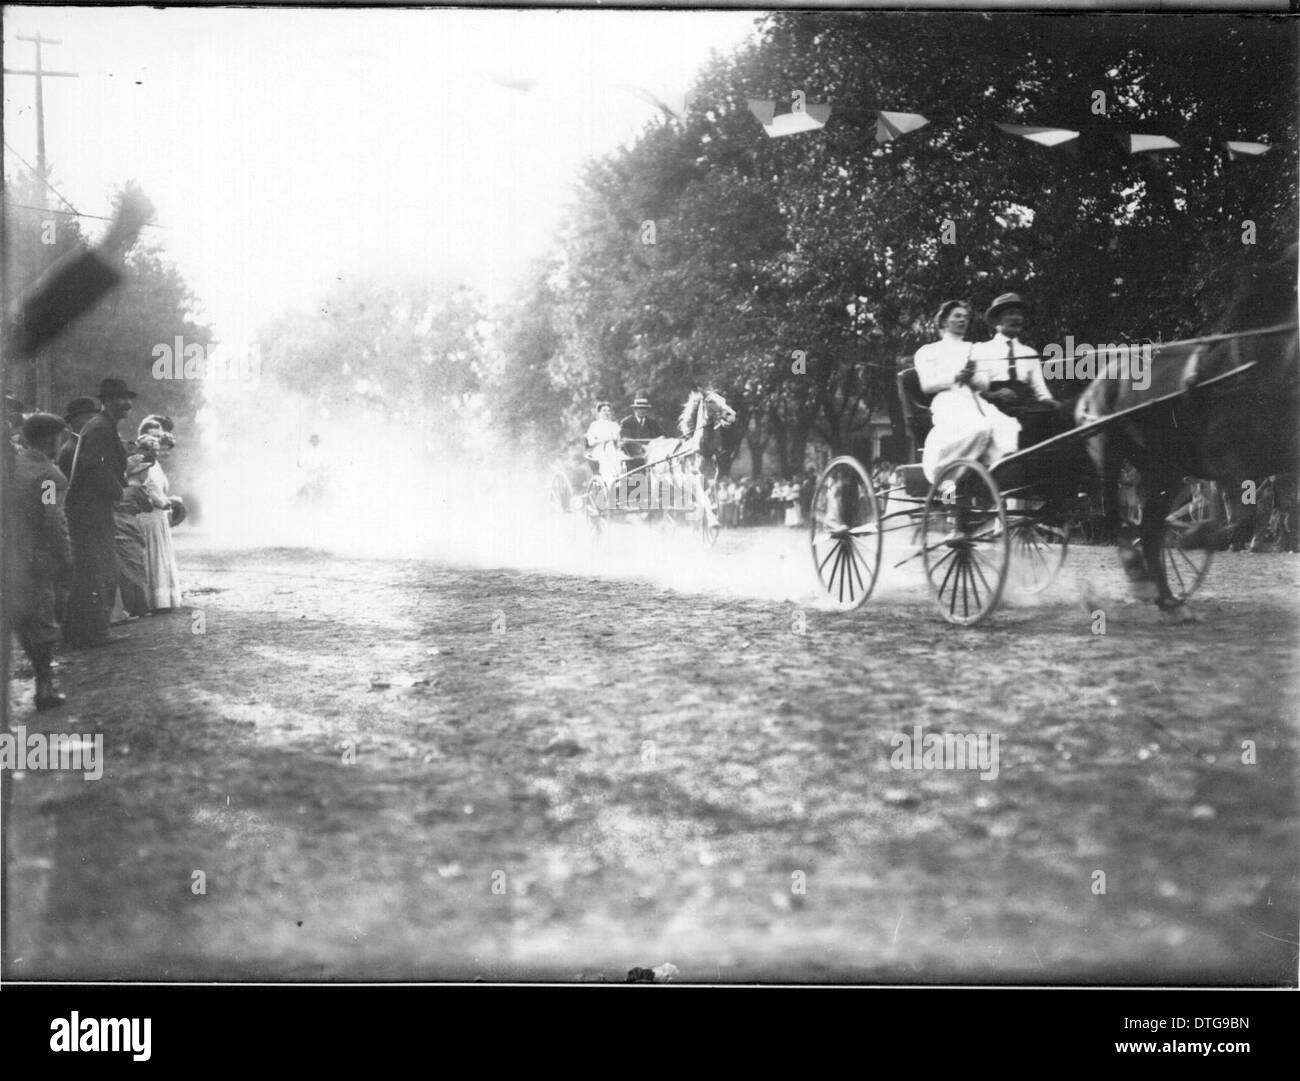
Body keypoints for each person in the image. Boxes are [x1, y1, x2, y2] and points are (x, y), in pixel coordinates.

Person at [4, 413, 74, 708]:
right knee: (42, 623)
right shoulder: (48, 476)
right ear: (49, 439)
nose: (61, 442)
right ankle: (44, 688)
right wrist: (66, 557)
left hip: (7, 556)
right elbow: (52, 519)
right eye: (59, 437)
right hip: (34, 559)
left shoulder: (13, 466)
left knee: (16, 622)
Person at [63, 377, 134, 647]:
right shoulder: (101, 428)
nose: (126, 403)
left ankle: (82, 632)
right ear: (106, 402)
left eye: (128, 398)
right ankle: (92, 633)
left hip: (92, 508)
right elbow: (92, 466)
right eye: (120, 398)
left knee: (92, 570)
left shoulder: (103, 426)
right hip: (90, 511)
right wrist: (118, 491)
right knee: (97, 570)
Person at [914, 300, 1002, 483]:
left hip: (975, 401)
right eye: (957, 316)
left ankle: (981, 490)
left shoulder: (975, 349)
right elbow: (927, 384)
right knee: (980, 428)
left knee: (1004, 438)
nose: (963, 320)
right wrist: (956, 376)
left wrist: (971, 377)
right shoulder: (929, 351)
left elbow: (984, 383)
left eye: (966, 317)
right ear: (944, 321)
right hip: (948, 402)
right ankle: (945, 480)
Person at [968, 293, 1056, 458]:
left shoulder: (1029, 353)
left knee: (1055, 420)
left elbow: (1040, 391)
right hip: (995, 407)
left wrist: (1050, 402)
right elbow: (977, 390)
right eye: (1010, 314)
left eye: (1019, 314)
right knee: (1028, 425)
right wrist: (994, 395)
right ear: (996, 322)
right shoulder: (981, 349)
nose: (1017, 318)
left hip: (1025, 406)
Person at [135, 431, 184, 612]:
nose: (156, 453)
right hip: (149, 517)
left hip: (159, 517)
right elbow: (145, 490)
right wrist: (164, 502)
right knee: (152, 554)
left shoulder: (155, 466)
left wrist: (168, 500)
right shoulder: (144, 466)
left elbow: (158, 490)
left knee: (160, 555)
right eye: (153, 449)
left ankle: (163, 599)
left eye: (156, 449)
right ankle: (152, 600)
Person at [619, 391, 664, 475]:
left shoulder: (652, 423)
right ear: (635, 409)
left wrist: (659, 441)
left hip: (652, 456)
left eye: (645, 408)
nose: (643, 410)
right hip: (633, 457)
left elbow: (660, 436)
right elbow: (626, 440)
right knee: (639, 482)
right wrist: (642, 447)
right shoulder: (627, 422)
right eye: (640, 408)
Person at [584, 401, 623, 480]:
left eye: (608, 411)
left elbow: (619, 441)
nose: (606, 413)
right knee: (606, 460)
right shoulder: (595, 425)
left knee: (622, 458)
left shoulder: (614, 425)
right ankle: (610, 481)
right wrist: (604, 440)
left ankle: (621, 479)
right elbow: (590, 442)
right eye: (604, 410)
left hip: (614, 450)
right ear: (599, 412)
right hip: (600, 450)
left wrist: (617, 439)